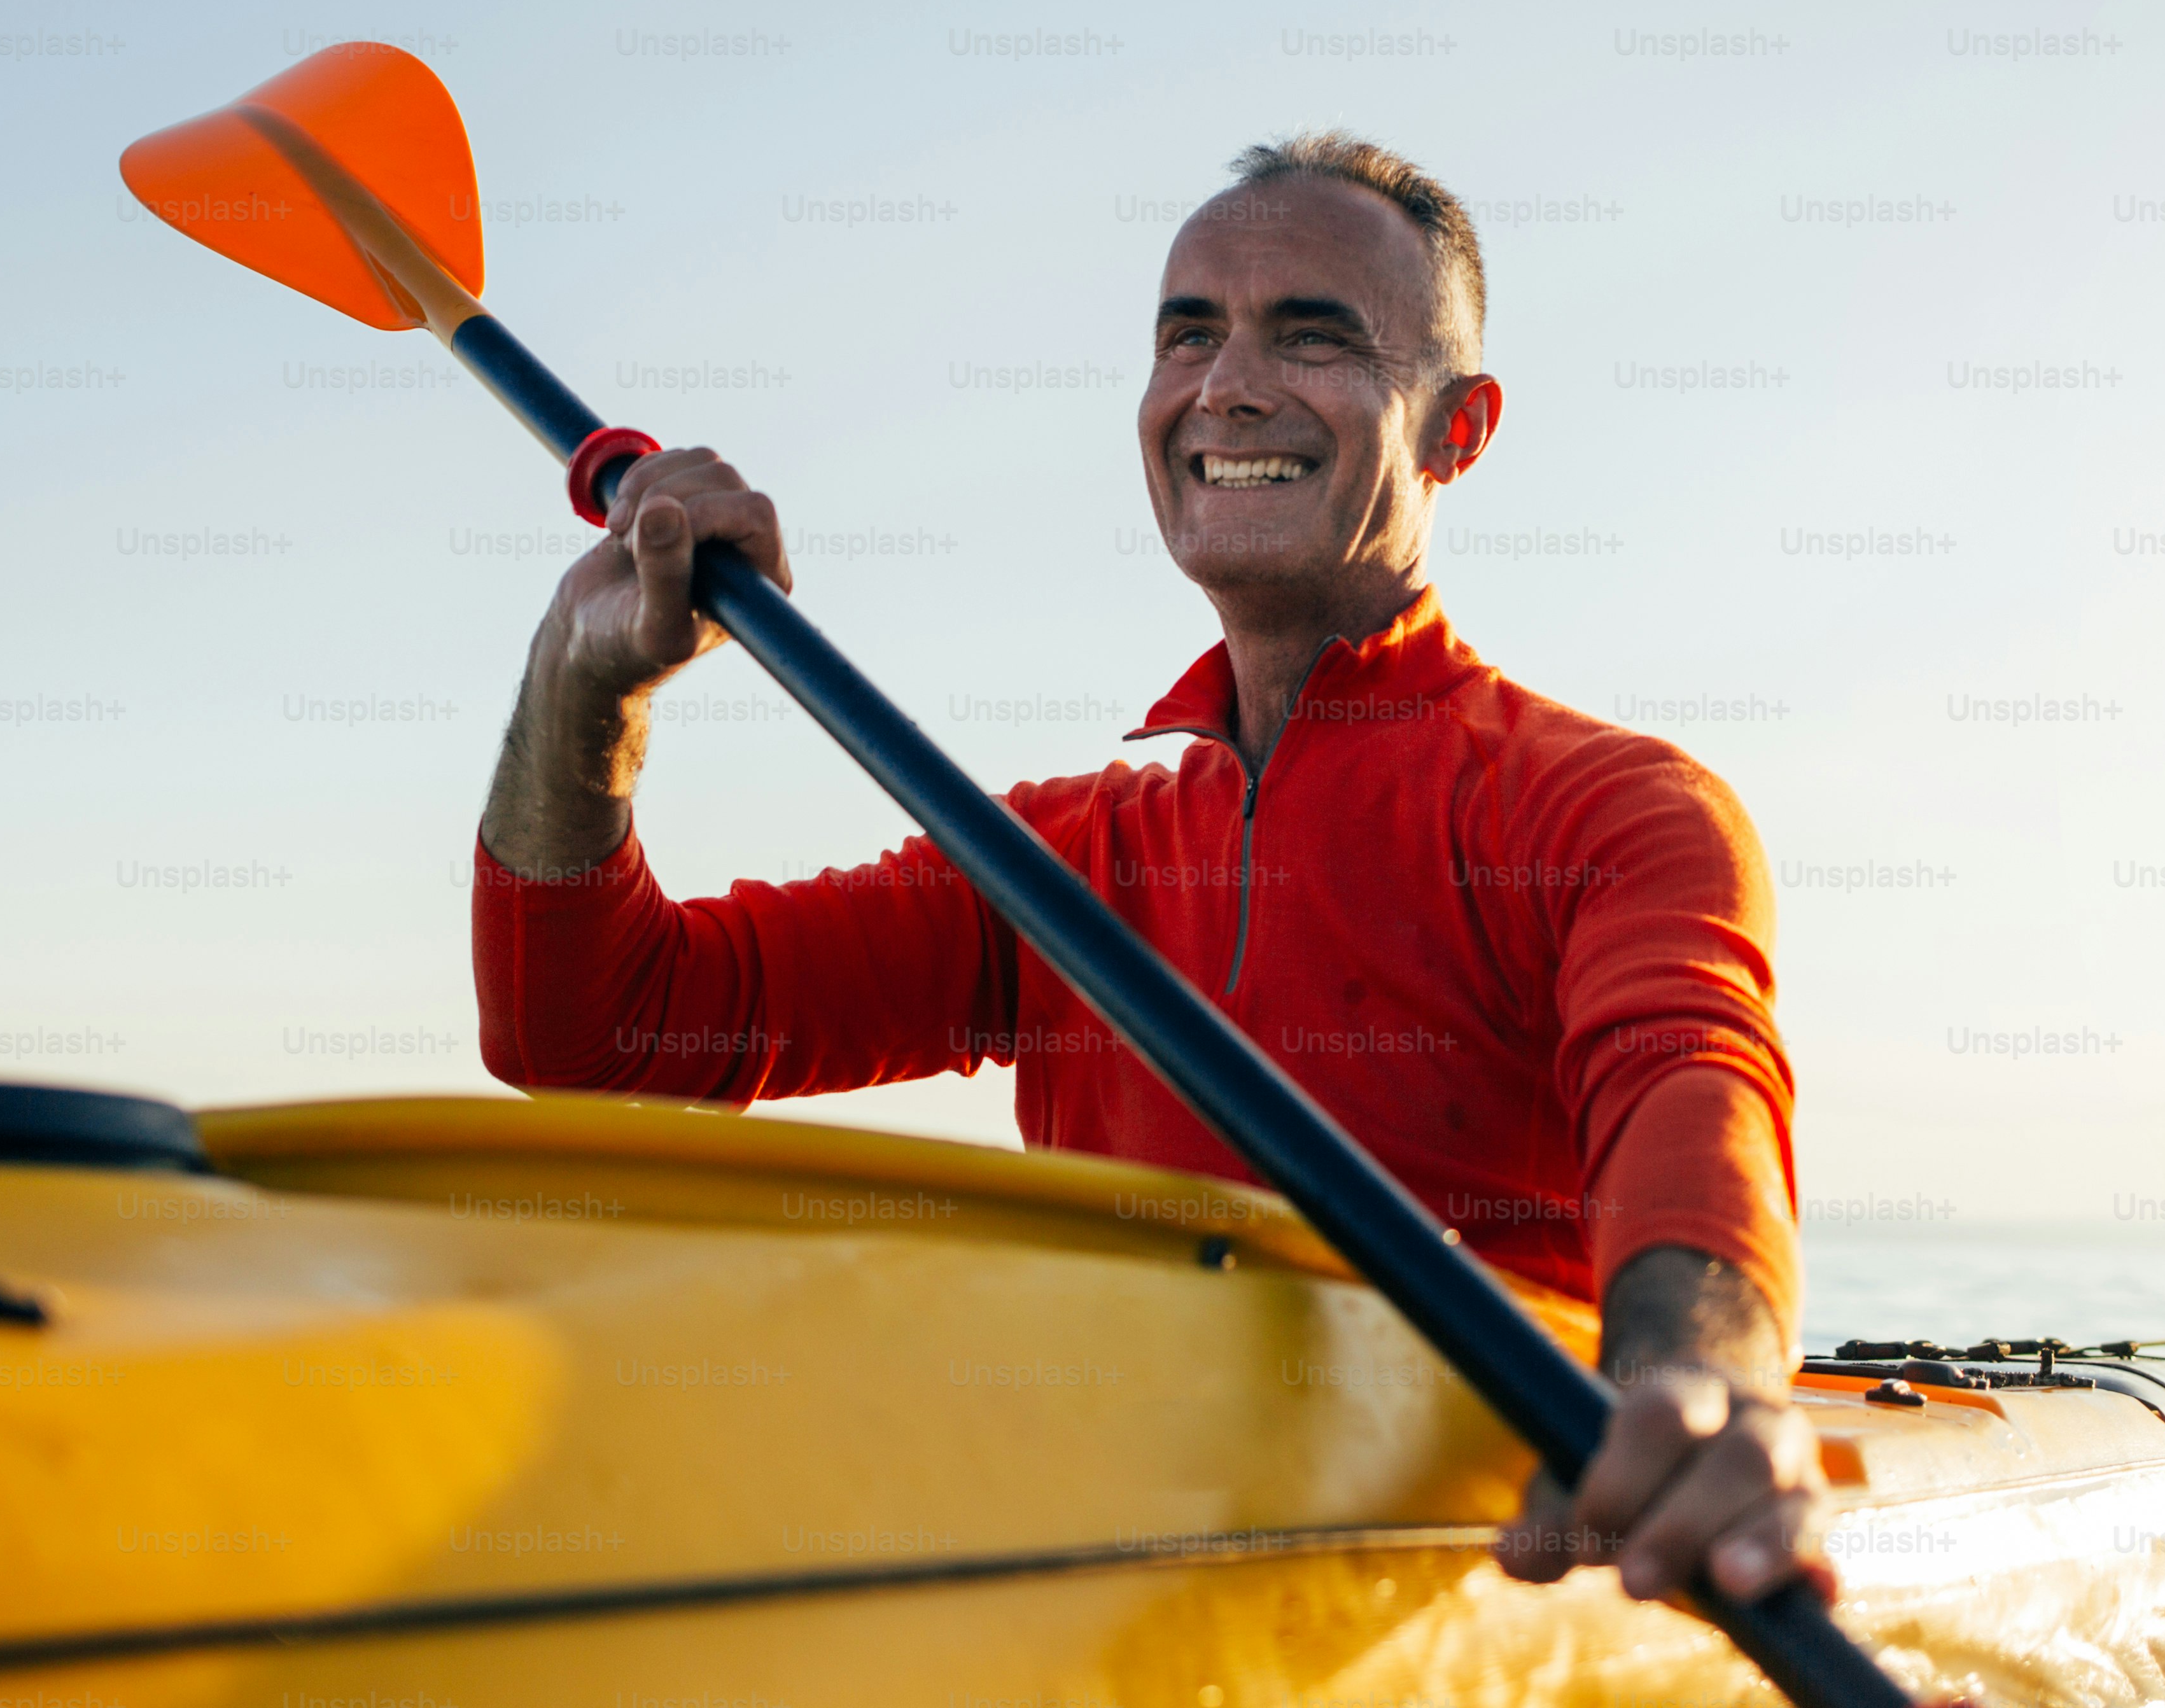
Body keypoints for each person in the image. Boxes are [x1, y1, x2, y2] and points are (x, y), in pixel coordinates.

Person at [472, 134, 1825, 1610]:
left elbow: (1688, 1091)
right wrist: (583, 688)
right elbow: (601, 1030)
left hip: (1508, 1572)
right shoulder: (1053, 862)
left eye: (1311, 335)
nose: (1224, 384)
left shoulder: (1606, 809)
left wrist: (1703, 1381)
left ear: (1459, 428)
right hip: (1116, 1570)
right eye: (1188, 333)